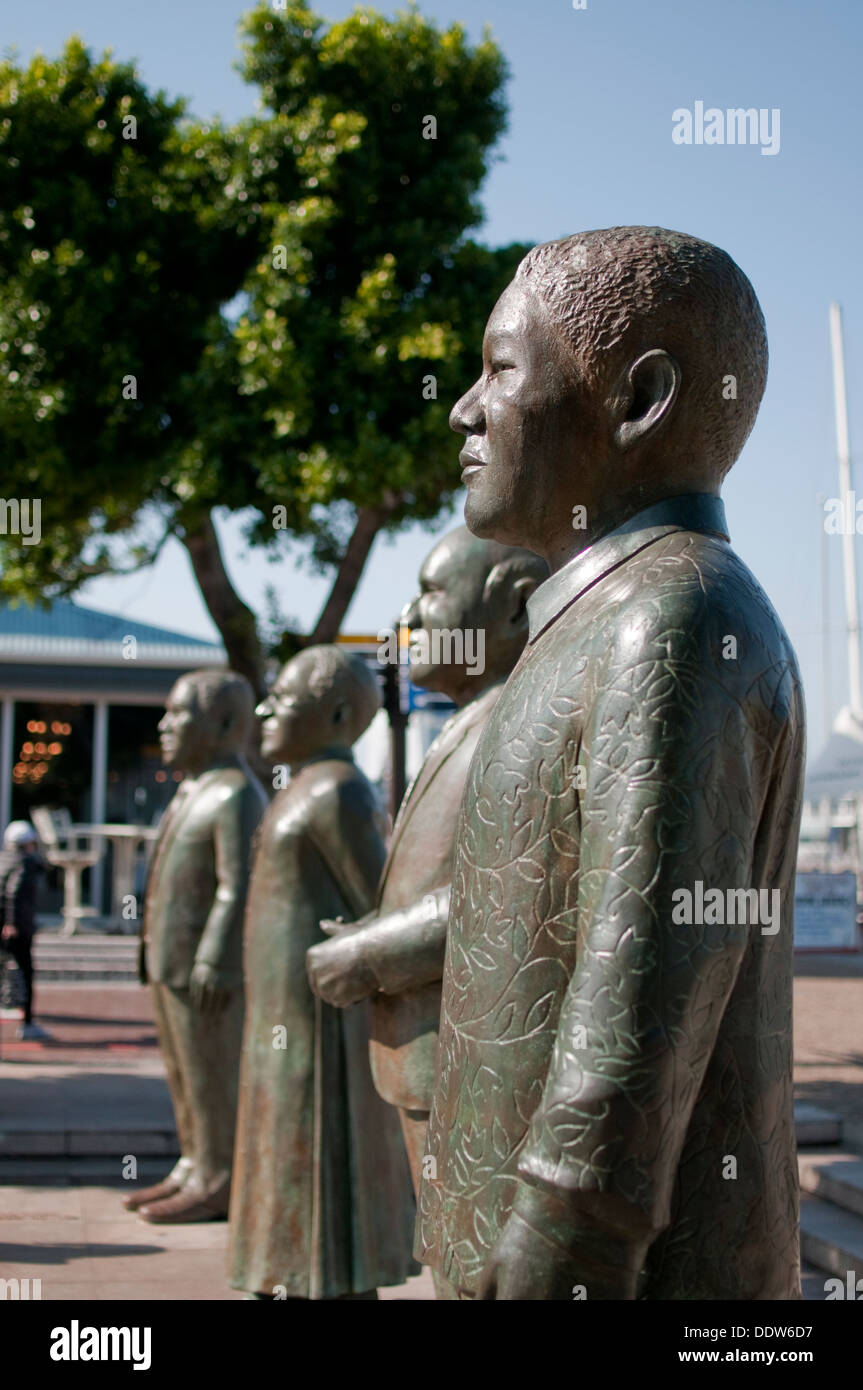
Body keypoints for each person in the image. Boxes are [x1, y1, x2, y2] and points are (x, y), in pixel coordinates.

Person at [416, 227, 805, 1300]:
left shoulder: (672, 616)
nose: (462, 408)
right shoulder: (596, 618)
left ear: (637, 400)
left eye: (498, 367)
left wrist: (567, 1231)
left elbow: (648, 952)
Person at [306, 529, 547, 1222]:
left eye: (431, 592)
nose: (408, 618)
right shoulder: (474, 719)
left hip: (474, 1071)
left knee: (472, 1262)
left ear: (513, 606)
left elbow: (502, 893)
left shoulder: (519, 722)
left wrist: (367, 951)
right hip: (433, 1061)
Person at [228, 646, 417, 1300]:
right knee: (277, 1149)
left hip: (316, 1027)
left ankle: (320, 1277)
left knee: (311, 1161)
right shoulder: (304, 787)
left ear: (337, 713)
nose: (265, 710)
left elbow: (379, 909)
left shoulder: (338, 791)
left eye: (282, 698)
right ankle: (284, 1272)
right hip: (282, 1022)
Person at [126, 669, 267, 1224]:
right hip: (171, 961)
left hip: (205, 968)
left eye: (179, 713)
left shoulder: (234, 793)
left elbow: (240, 883)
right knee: (185, 1074)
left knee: (212, 1076)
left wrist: (216, 955)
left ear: (227, 723)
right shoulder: (194, 788)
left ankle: (219, 1176)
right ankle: (193, 1163)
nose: (164, 725)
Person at [0, 821, 50, 1041]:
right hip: (17, 929)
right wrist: (12, 923)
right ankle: (27, 1023)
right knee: (26, 972)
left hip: (6, 927)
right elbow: (14, 893)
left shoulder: (4, 860)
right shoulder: (26, 863)